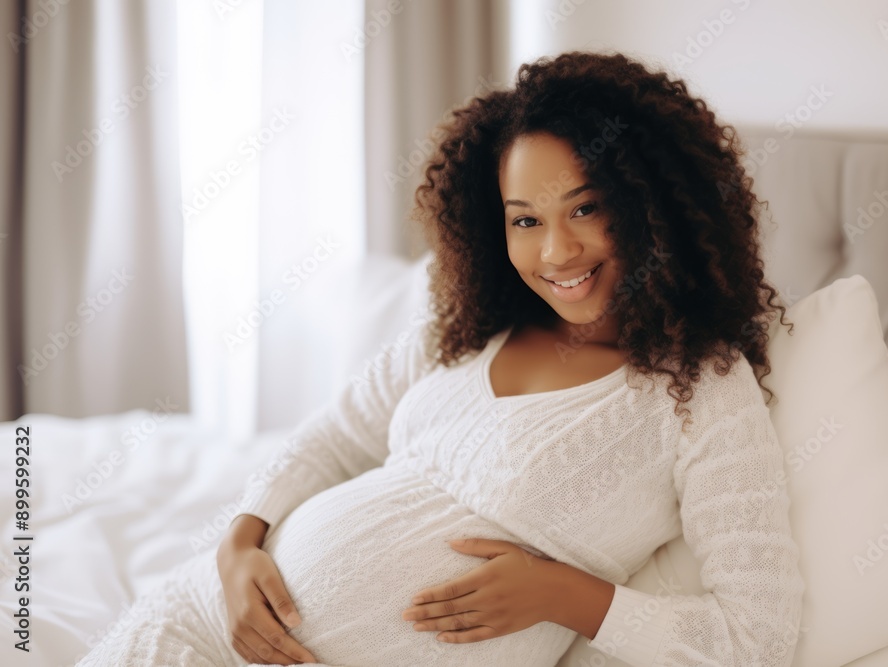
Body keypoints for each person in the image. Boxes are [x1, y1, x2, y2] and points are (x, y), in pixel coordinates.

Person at [76, 50, 805, 667]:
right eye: (526, 220)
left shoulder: (703, 387)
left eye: (585, 207)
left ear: (656, 205)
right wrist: (239, 543)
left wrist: (567, 595)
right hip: (201, 618)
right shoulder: (466, 329)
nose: (556, 252)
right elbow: (332, 438)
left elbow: (759, 636)